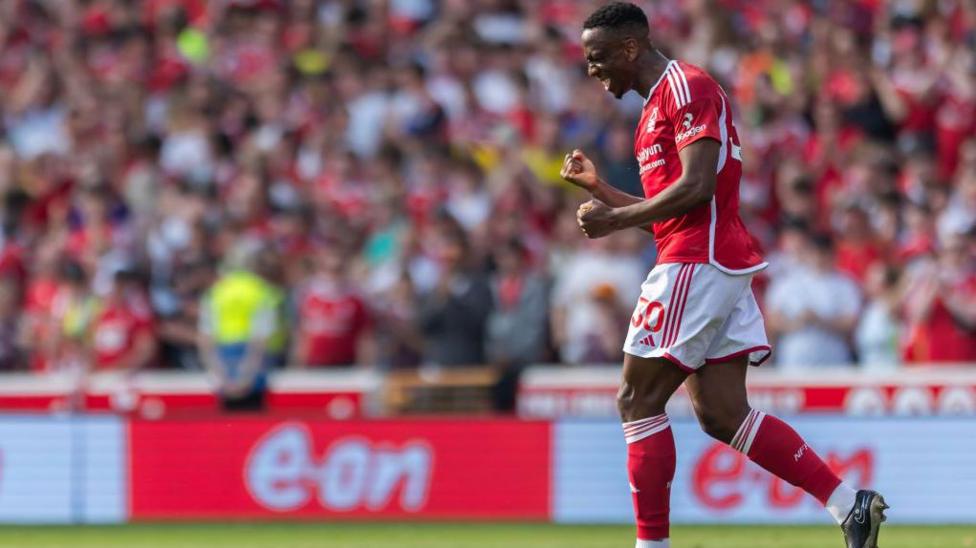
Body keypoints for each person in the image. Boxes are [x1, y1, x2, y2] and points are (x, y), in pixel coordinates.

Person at [560, 4, 886, 548]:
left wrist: (615, 218)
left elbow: (699, 188)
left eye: (597, 58)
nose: (593, 70)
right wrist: (603, 193)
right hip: (707, 257)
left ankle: (651, 545)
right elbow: (672, 217)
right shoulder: (651, 113)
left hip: (699, 261)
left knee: (636, 401)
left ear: (630, 48)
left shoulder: (686, 86)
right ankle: (847, 503)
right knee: (721, 413)